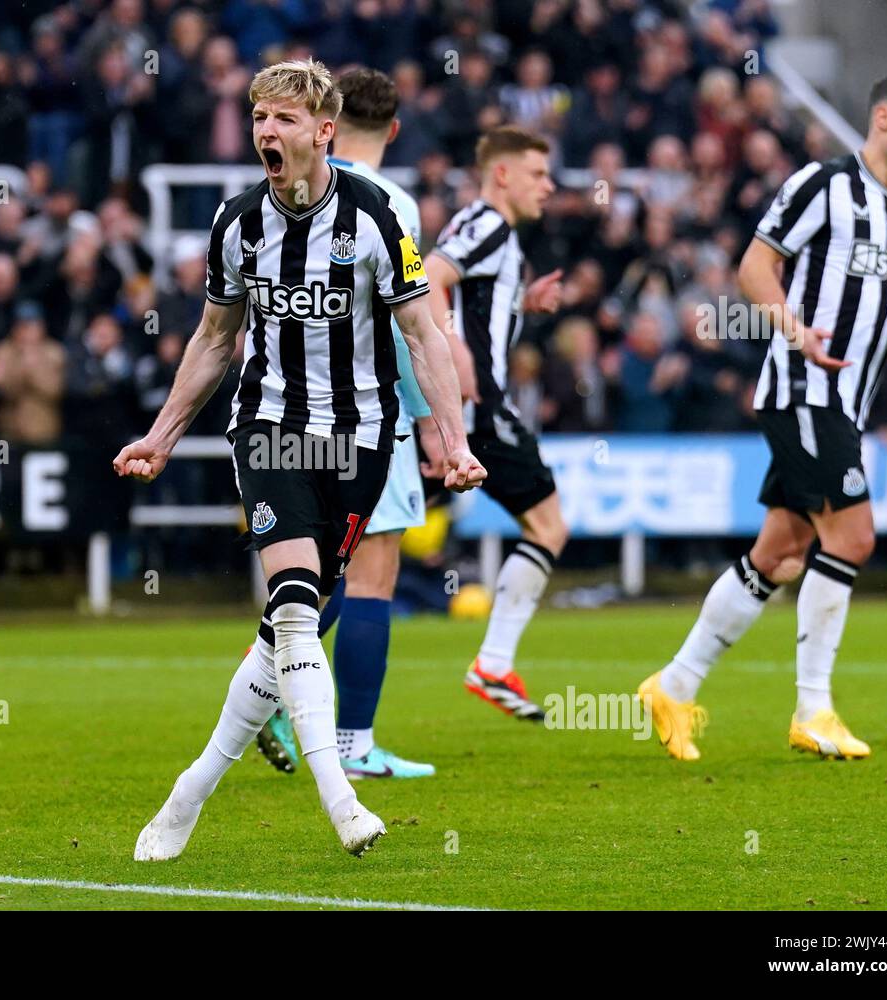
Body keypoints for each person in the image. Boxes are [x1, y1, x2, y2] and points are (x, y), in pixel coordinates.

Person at [114, 59, 485, 860]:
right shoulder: (237, 222)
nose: (265, 133)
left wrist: (451, 443)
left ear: (323, 133)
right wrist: (162, 434)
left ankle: (188, 793)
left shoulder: (381, 217)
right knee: (292, 606)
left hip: (359, 441)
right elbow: (216, 339)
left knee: (293, 625)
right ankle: (343, 799)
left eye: (282, 119)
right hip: (272, 427)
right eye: (257, 118)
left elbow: (424, 334)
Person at [640, 73, 887, 761]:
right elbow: (755, 267)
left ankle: (675, 683)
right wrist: (794, 327)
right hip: (804, 385)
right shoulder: (823, 184)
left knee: (778, 554)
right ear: (885, 116)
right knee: (856, 537)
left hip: (850, 400)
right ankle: (813, 709)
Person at [255, 66, 442, 780]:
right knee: (372, 571)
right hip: (366, 412)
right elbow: (410, 329)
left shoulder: (272, 200)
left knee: (312, 570)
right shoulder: (388, 202)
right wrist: (430, 422)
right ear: (394, 129)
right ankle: (350, 741)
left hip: (282, 413)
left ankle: (266, 691)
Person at [424, 126, 567, 722]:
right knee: (548, 524)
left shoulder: (497, 237)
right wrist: (454, 352)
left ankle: (271, 669)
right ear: (502, 174)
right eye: (538, 174)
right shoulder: (487, 224)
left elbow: (468, 296)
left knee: (359, 548)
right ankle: (492, 663)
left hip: (464, 411)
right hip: (476, 413)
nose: (549, 186)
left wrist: (520, 301)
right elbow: (429, 279)